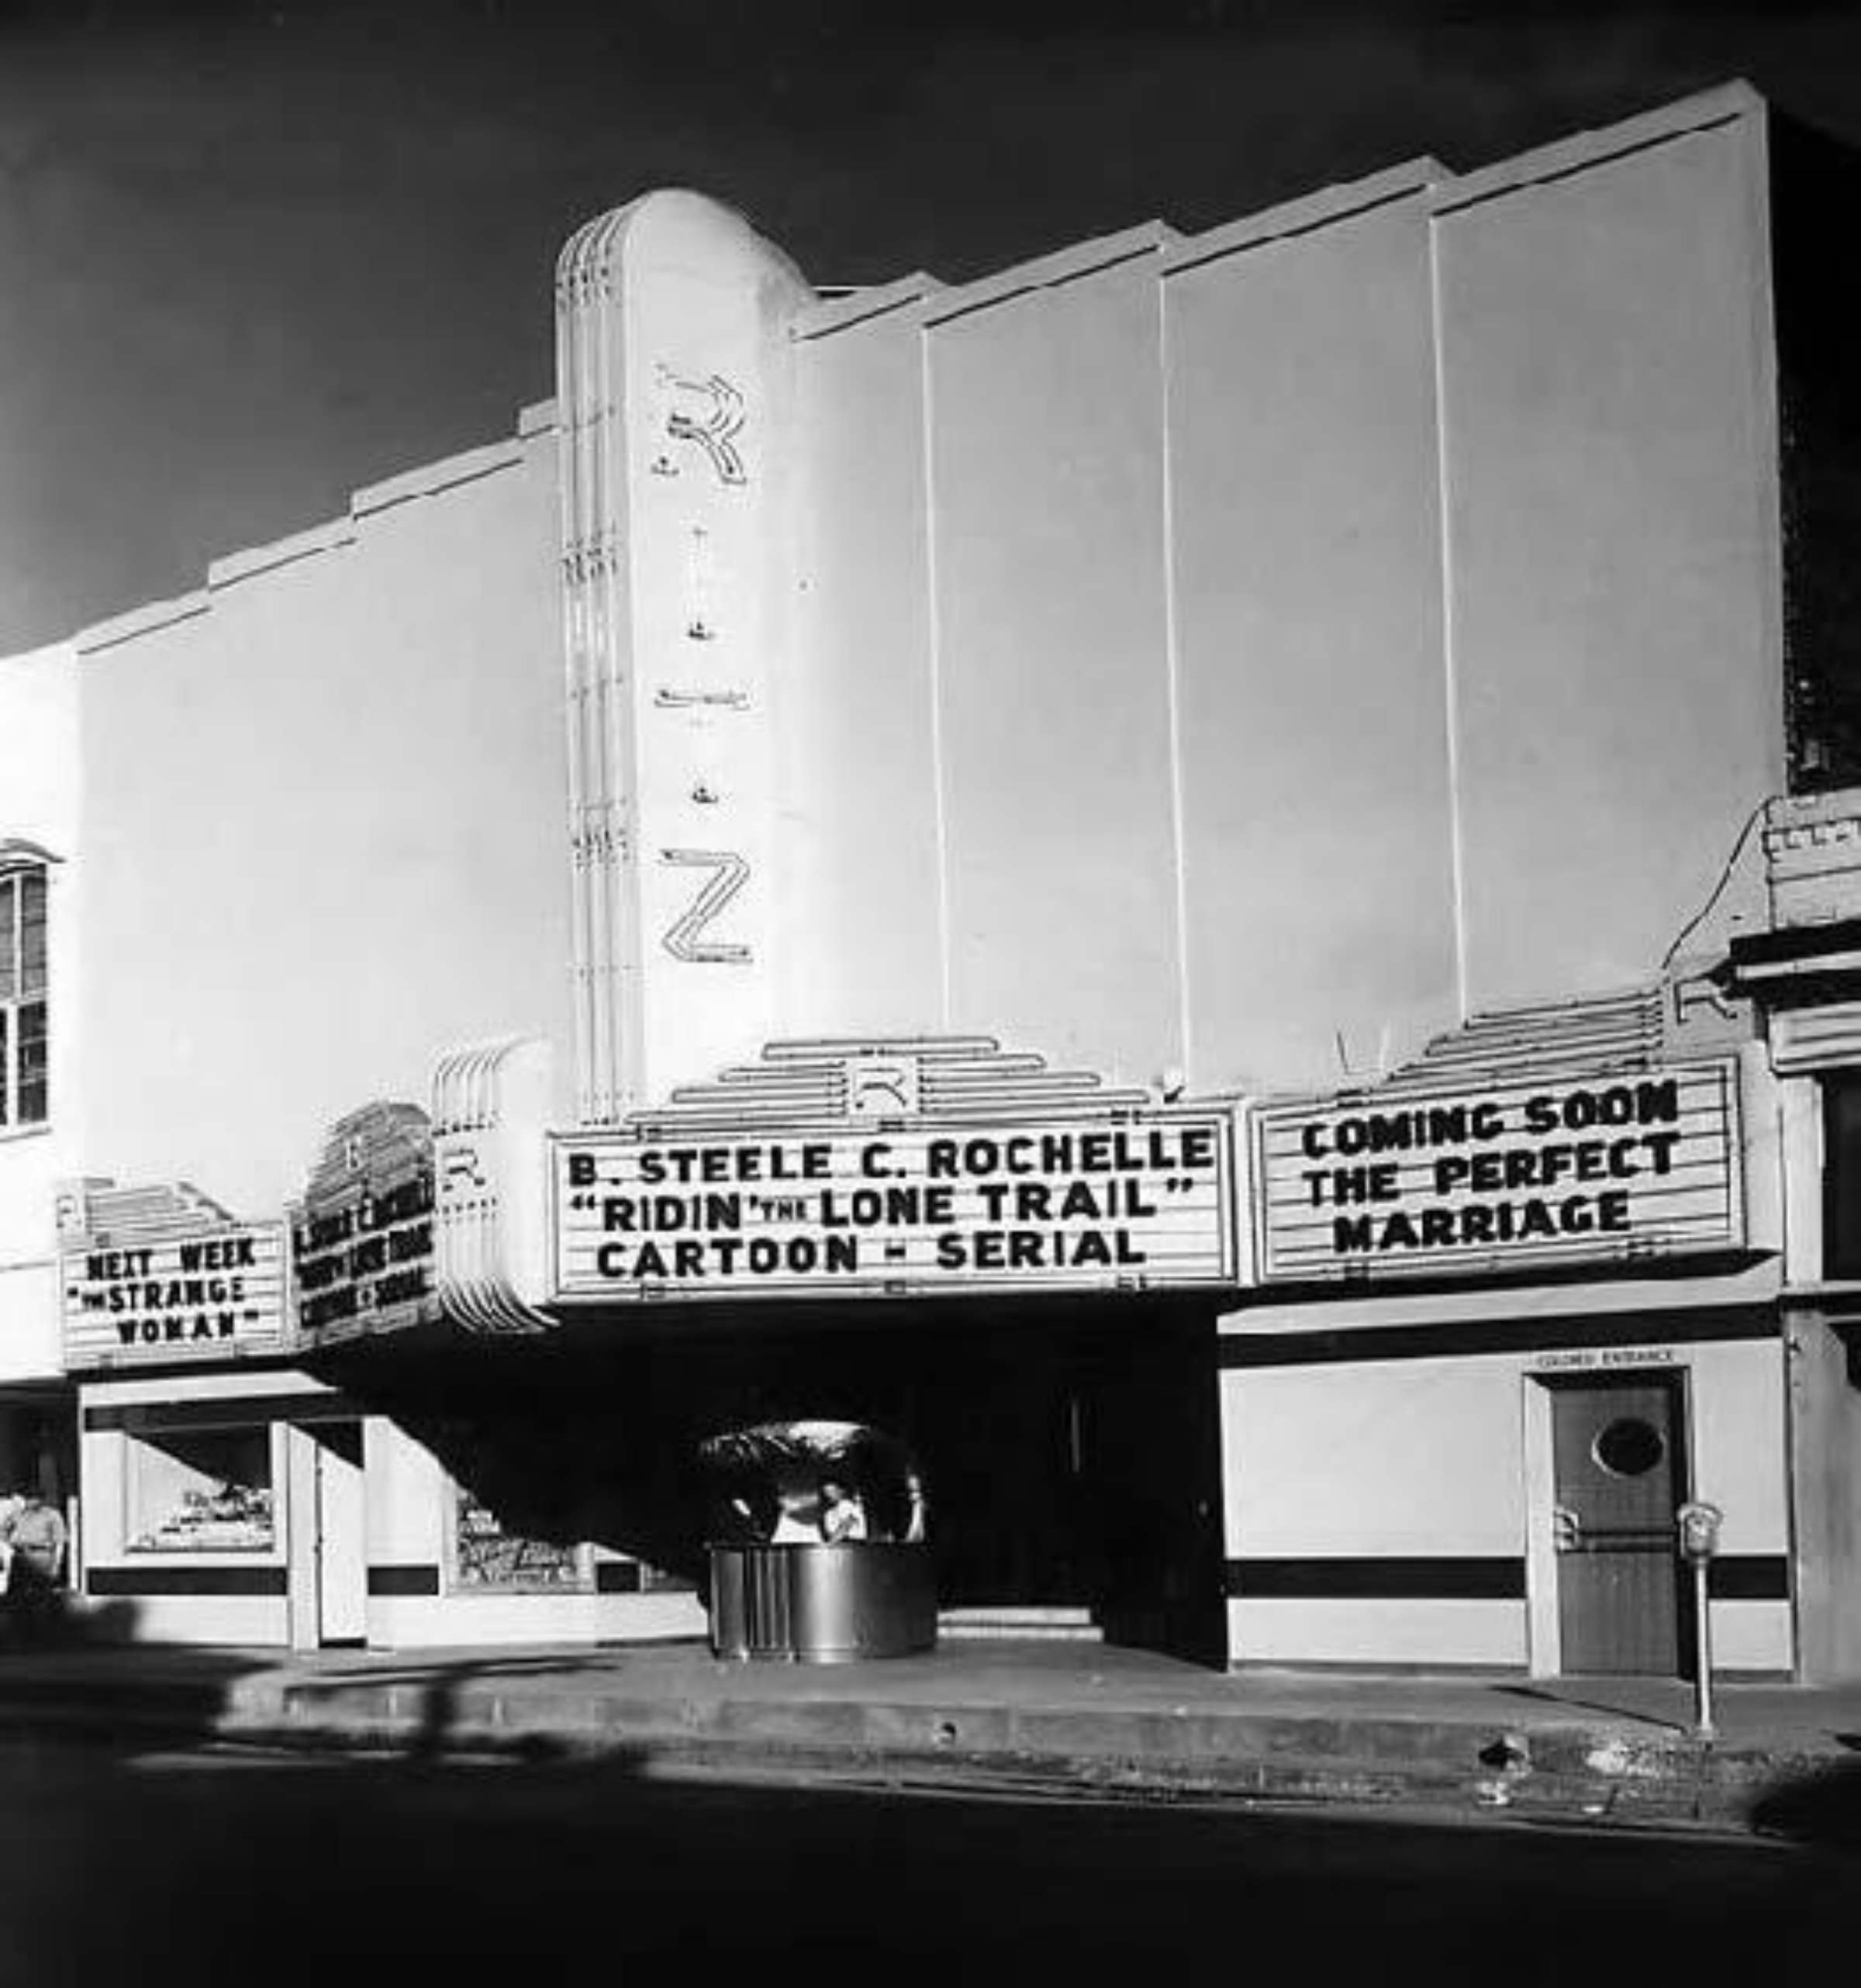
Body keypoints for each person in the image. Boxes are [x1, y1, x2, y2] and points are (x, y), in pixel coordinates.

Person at [818, 1479, 868, 1545]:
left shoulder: (845, 1504)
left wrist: (830, 1544)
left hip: (851, 1544)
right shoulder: (830, 1511)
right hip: (840, 1544)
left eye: (832, 1491)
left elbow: (846, 1525)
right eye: (826, 1491)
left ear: (841, 1491)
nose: (829, 1495)